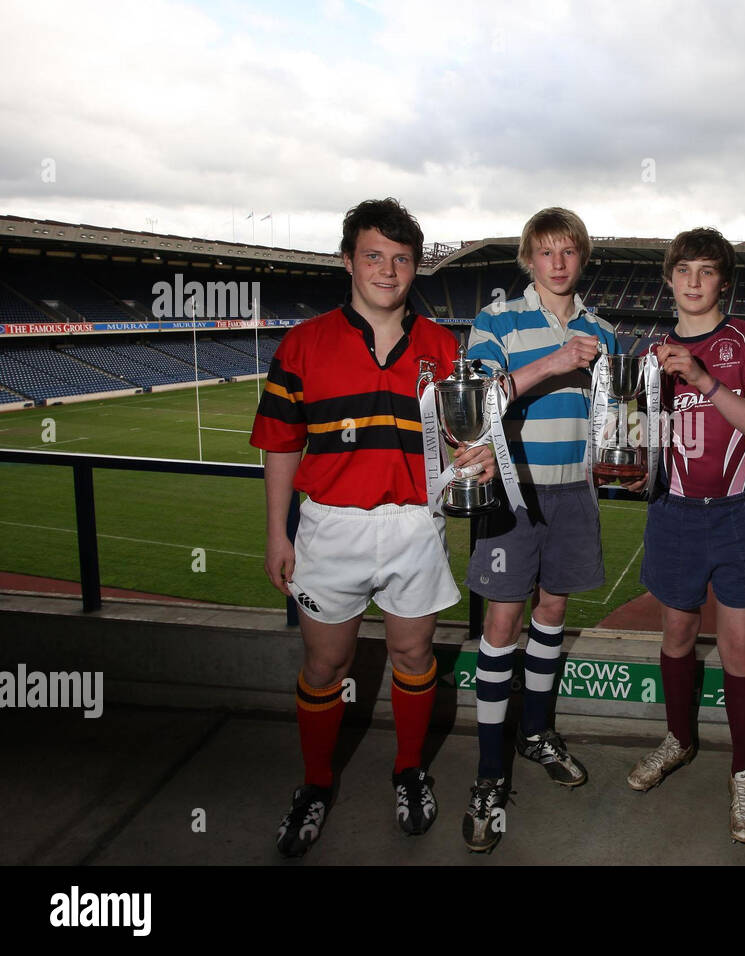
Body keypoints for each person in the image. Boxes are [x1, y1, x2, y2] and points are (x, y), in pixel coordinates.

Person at [252, 197, 495, 857]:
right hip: (329, 527)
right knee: (327, 661)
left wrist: (474, 451)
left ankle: (409, 770)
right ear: (348, 260)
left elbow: (458, 437)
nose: (387, 270)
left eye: (401, 258)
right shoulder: (304, 343)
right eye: (374, 255)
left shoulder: (442, 345)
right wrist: (279, 532)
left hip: (415, 524)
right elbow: (280, 445)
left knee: (414, 655)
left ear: (415, 267)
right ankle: (315, 782)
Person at [461, 207, 620, 852]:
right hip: (513, 491)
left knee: (551, 613)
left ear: (581, 259)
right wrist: (554, 361)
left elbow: (610, 415)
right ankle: (489, 772)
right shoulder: (495, 320)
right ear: (529, 259)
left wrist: (629, 445)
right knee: (502, 626)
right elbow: (475, 402)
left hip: (574, 491)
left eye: (569, 251)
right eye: (546, 251)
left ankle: (537, 733)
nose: (558, 262)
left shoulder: (601, 331)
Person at [627, 227, 745, 843]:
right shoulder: (647, 351)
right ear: (670, 278)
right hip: (673, 511)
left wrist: (702, 377)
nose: (693, 283)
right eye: (683, 270)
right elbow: (638, 436)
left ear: (724, 280)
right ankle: (679, 738)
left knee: (739, 645)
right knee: (677, 629)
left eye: (707, 271)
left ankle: (744, 771)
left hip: (737, 511)